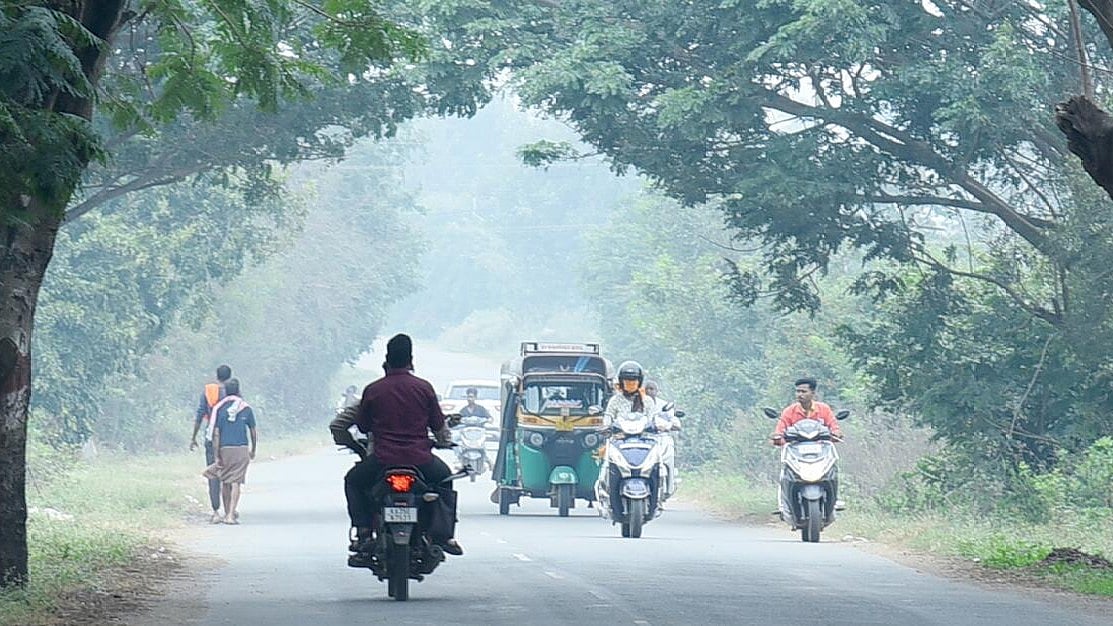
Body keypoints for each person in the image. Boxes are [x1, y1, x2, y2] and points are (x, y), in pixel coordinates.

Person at [344, 333, 463, 565]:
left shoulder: (373, 389)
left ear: (387, 360)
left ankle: (364, 531)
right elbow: (438, 425)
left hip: (382, 459)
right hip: (420, 458)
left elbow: (363, 425)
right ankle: (445, 535)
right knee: (445, 479)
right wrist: (443, 441)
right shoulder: (423, 388)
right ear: (410, 360)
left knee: (353, 481)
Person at [202, 378, 258, 524]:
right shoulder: (245, 408)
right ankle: (231, 515)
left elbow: (216, 433)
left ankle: (227, 511)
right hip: (241, 448)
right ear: (239, 390)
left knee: (225, 481)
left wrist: (216, 454)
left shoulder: (219, 408)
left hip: (224, 448)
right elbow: (252, 430)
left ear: (225, 391)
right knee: (236, 482)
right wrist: (253, 449)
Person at [190, 364, 231, 523]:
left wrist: (193, 437)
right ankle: (230, 510)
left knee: (213, 472)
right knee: (229, 473)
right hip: (229, 438)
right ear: (229, 376)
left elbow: (200, 414)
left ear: (217, 376)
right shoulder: (233, 390)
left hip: (211, 436)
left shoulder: (209, 391)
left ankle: (215, 511)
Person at [771, 377, 842, 446]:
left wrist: (836, 433)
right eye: (798, 391)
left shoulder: (824, 409)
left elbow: (833, 426)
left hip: (821, 449)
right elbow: (780, 430)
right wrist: (778, 438)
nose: (800, 394)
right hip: (795, 451)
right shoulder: (789, 411)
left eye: (803, 392)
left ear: (813, 393)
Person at [643, 379, 681, 501]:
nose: (650, 391)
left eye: (652, 389)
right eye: (647, 389)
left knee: (669, 457)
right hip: (645, 438)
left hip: (662, 437)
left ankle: (669, 487)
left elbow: (673, 419)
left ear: (657, 391)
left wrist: (672, 424)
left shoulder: (664, 405)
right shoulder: (639, 404)